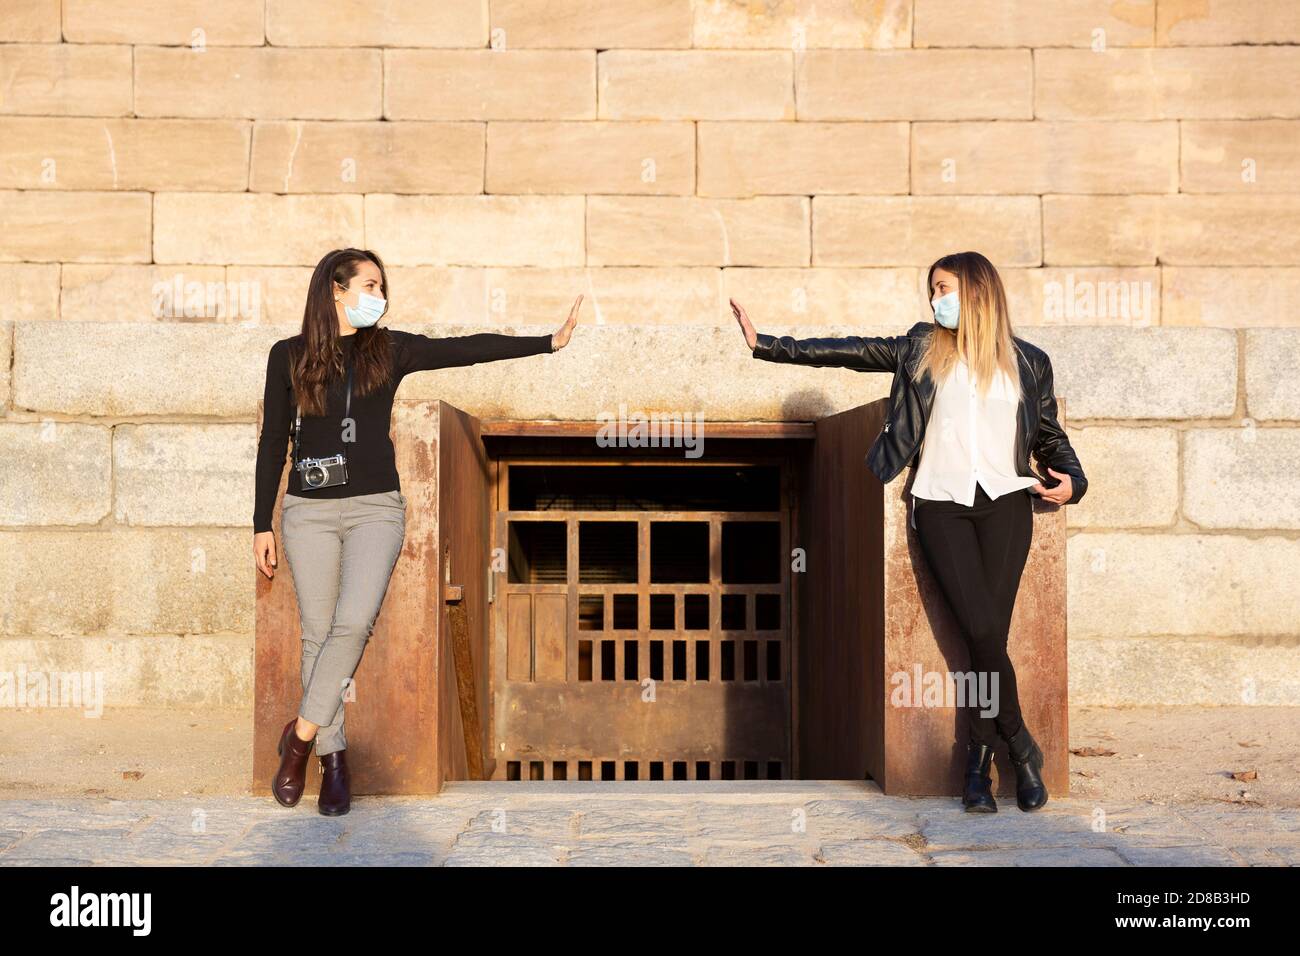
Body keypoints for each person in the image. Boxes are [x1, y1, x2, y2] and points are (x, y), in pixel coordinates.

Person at [734, 250, 1088, 813]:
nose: (935, 300)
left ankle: (978, 759)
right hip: (941, 504)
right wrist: (770, 345)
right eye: (931, 291)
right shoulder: (923, 348)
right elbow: (851, 353)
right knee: (980, 628)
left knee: (985, 640)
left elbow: (1048, 431)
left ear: (975, 290)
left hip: (1005, 505)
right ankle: (1018, 746)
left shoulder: (1029, 361)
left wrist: (1076, 480)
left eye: (943, 288)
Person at [253, 247, 579, 815]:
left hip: (376, 507)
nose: (378, 296)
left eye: (383, 288)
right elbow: (273, 441)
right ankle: (334, 763)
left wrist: (546, 342)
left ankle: (299, 740)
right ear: (336, 288)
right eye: (370, 284)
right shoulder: (288, 356)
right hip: (308, 509)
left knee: (352, 624)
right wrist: (262, 522)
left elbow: (465, 350)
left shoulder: (390, 350)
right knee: (317, 632)